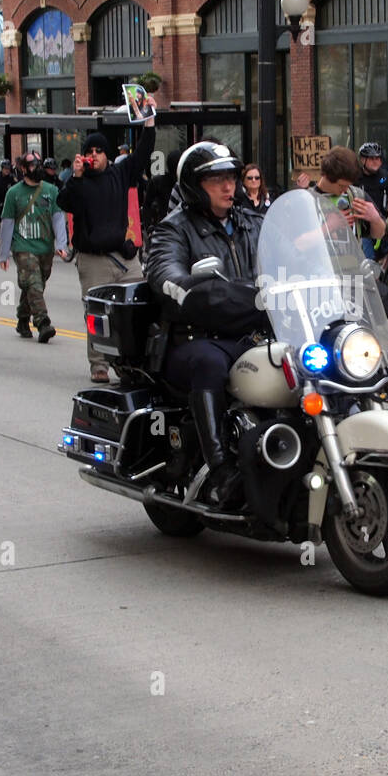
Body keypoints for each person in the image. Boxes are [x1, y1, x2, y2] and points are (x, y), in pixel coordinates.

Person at [145, 141, 266, 508]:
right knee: (211, 365)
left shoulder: (254, 223)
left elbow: (291, 258)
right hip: (195, 340)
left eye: (231, 178)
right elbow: (165, 277)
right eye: (216, 180)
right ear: (195, 187)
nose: (229, 187)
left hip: (251, 334)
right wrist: (198, 288)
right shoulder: (173, 230)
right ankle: (221, 471)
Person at [58, 115, 156, 380]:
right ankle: (99, 365)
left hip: (123, 255)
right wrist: (76, 177)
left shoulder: (121, 173)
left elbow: (144, 152)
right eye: (89, 152)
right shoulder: (79, 182)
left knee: (137, 307)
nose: (94, 156)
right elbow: (65, 202)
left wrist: (148, 123)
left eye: (98, 151)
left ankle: (131, 362)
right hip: (93, 259)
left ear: (107, 154)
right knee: (97, 313)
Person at [0, 153, 69, 343]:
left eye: (38, 164)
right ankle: (43, 323)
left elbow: (58, 218)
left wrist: (62, 245)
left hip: (45, 247)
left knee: (35, 285)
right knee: (34, 284)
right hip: (23, 246)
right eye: (32, 165)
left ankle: (23, 318)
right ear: (23, 169)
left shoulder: (51, 191)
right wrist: (4, 254)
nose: (36, 168)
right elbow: (7, 224)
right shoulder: (13, 193)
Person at [356, 142, 388, 260]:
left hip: (382, 222)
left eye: (378, 158)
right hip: (364, 227)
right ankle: (374, 277)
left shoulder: (385, 177)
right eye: (372, 158)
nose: (376, 161)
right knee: (370, 261)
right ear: (363, 160)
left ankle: (385, 269)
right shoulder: (356, 178)